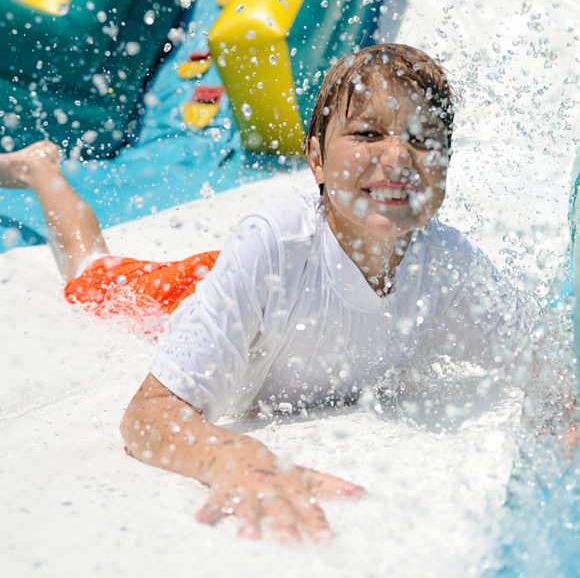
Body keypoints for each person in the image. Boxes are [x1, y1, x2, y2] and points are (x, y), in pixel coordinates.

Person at [0, 44, 547, 542]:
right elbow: (147, 416)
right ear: (316, 159)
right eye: (367, 133)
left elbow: (546, 356)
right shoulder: (272, 250)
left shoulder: (447, 263)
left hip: (262, 278)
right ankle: (42, 172)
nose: (400, 156)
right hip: (197, 286)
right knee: (94, 274)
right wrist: (233, 457)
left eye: (423, 139)